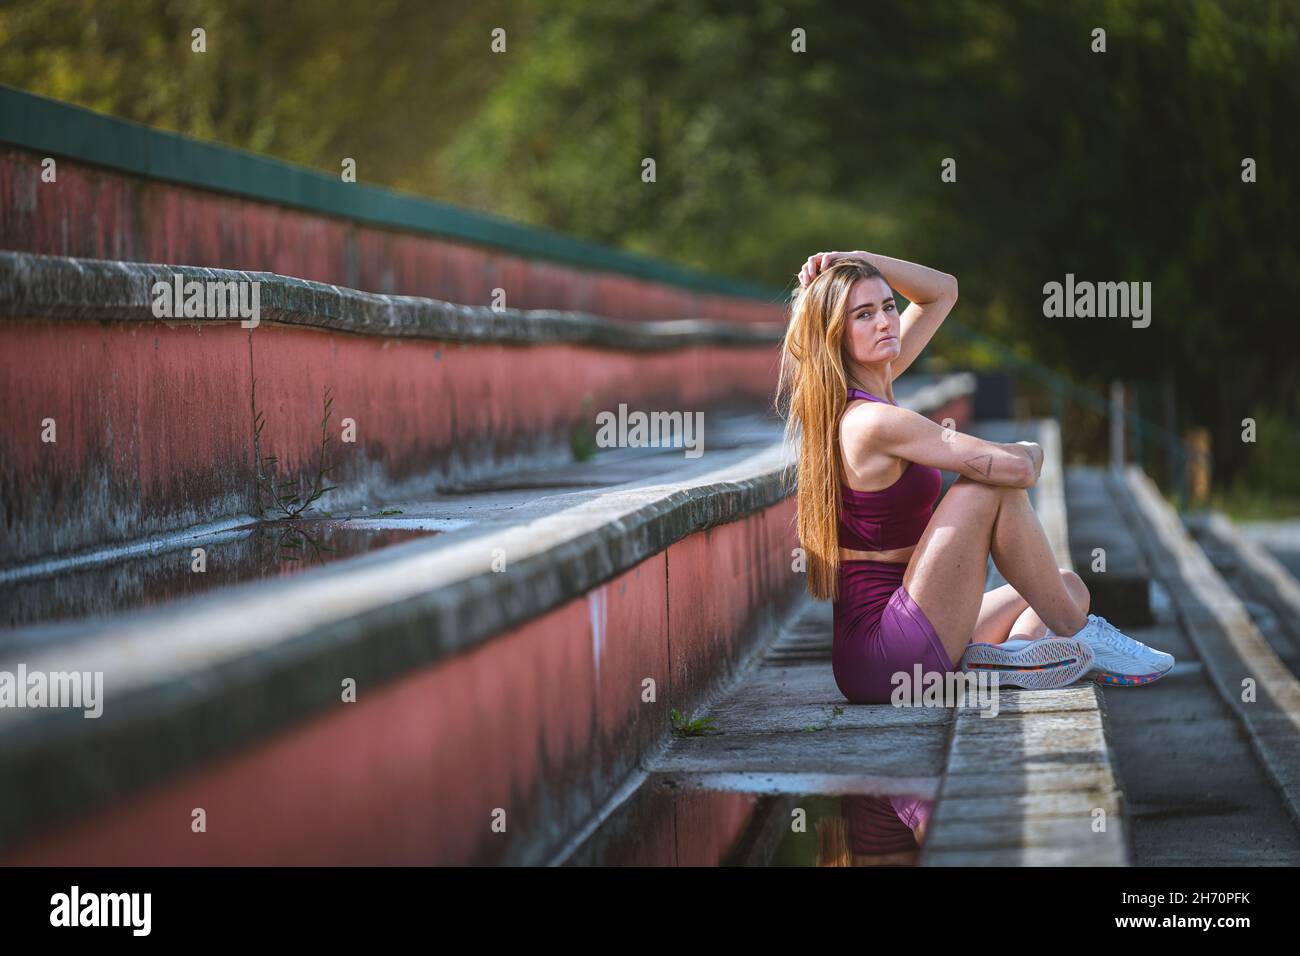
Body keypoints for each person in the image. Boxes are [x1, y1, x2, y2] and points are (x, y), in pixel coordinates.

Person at [775, 251, 1174, 705]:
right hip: (888, 654)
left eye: (888, 306)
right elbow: (1017, 470)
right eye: (863, 314)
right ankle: (1082, 635)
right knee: (987, 486)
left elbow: (943, 291)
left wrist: (857, 259)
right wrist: (1029, 450)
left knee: (1066, 586)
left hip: (909, 627)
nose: (886, 321)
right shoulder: (871, 421)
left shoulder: (874, 382)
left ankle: (1012, 656)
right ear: (836, 334)